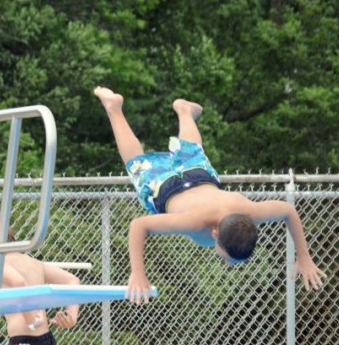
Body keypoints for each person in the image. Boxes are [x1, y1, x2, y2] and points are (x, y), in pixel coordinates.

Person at [93, 86, 326, 304]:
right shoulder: (194, 221)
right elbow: (139, 225)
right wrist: (138, 272)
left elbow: (288, 211)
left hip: (199, 176)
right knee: (136, 162)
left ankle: (184, 111)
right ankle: (114, 109)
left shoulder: (251, 212)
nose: (228, 264)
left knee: (192, 151)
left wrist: (304, 257)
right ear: (215, 232)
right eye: (225, 258)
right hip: (165, 188)